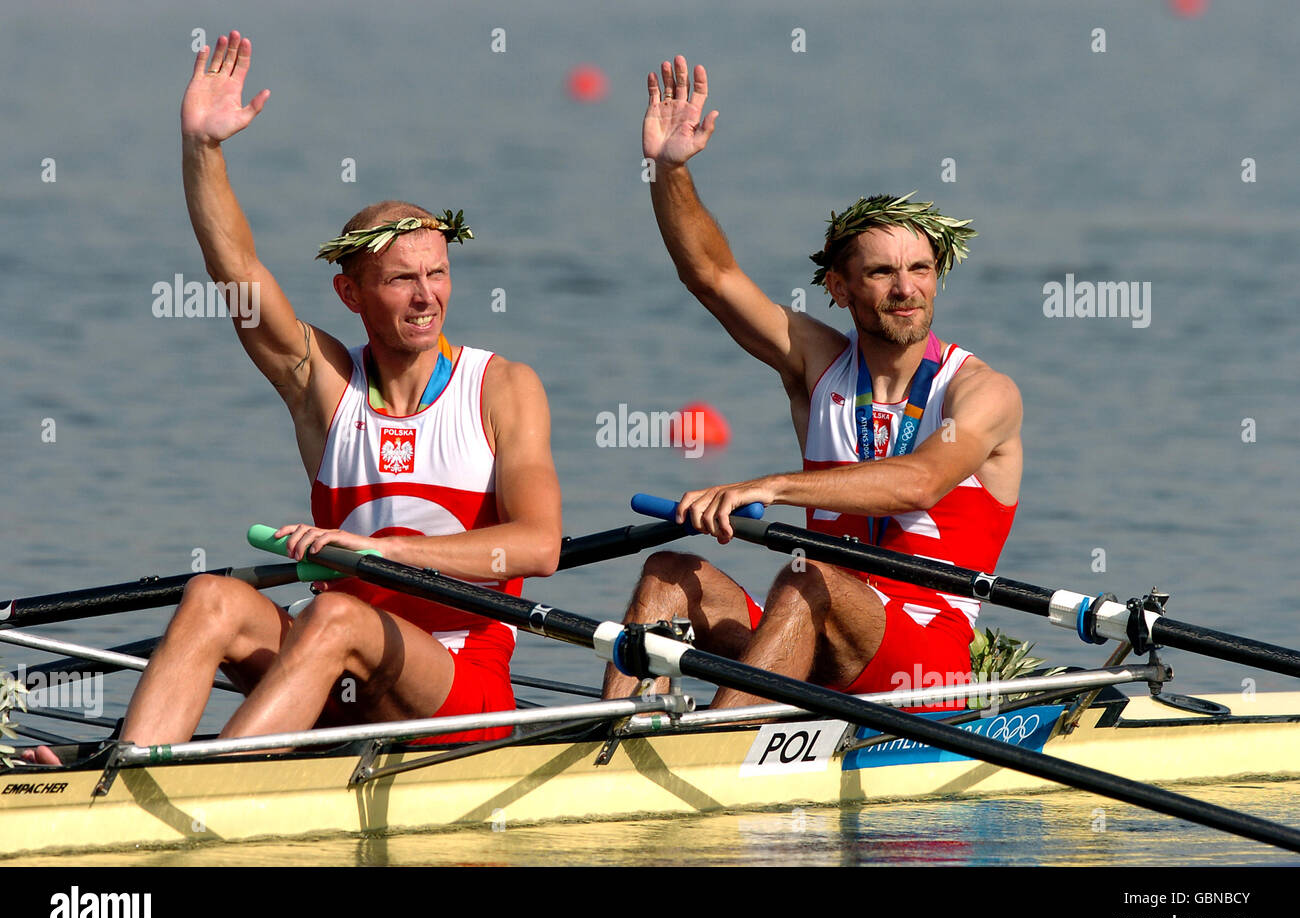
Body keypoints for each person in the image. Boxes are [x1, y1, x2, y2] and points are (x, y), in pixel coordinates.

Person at [114, 31, 562, 748]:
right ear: (350, 294)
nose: (426, 298)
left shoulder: (502, 387)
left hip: (458, 688)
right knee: (212, 597)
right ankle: (129, 771)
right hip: (338, 674)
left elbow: (540, 547)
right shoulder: (321, 382)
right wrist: (203, 149)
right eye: (401, 280)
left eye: (437, 274)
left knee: (334, 616)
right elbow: (237, 270)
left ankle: (209, 788)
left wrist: (380, 552)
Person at [602, 57, 1021, 711]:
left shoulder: (982, 392)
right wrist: (669, 170)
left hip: (924, 664)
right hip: (819, 632)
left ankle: (712, 754)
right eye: (881, 272)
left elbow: (918, 482)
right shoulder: (816, 364)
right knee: (668, 577)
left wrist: (769, 486)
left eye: (919, 269)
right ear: (839, 286)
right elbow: (712, 277)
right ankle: (613, 740)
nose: (905, 288)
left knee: (809, 579)